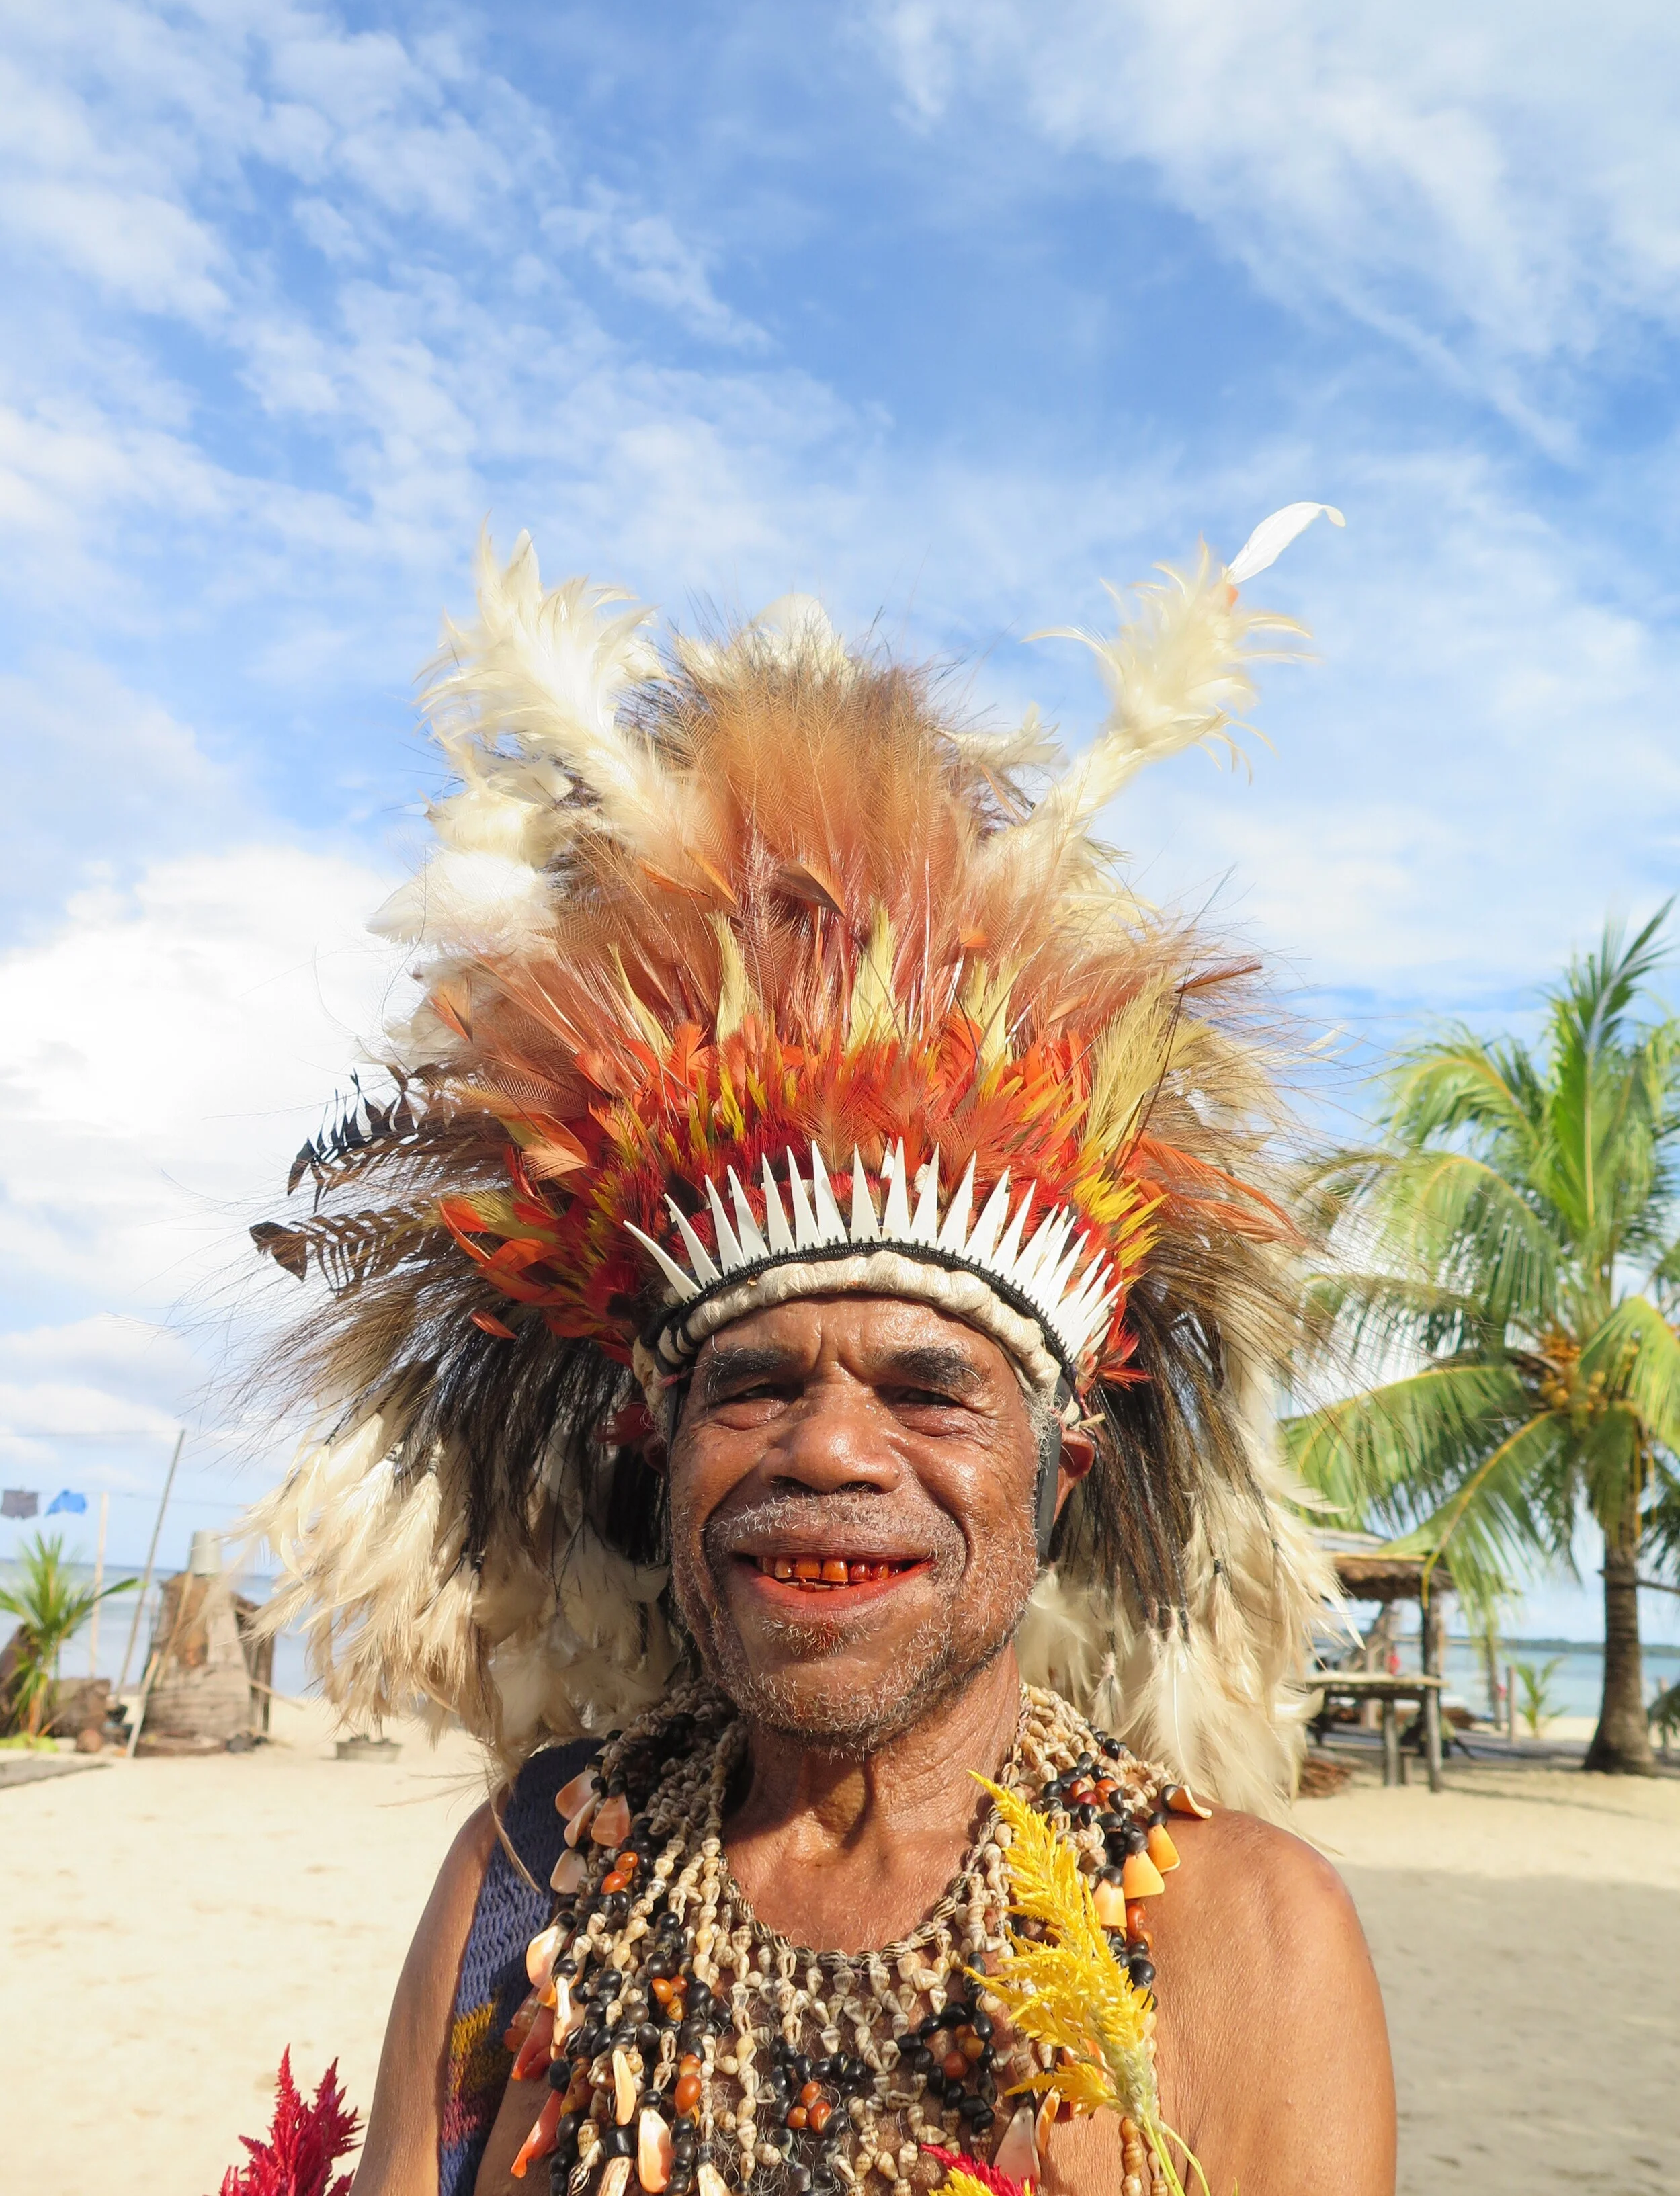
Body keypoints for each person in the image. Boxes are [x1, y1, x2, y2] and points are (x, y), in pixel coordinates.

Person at [251, 503, 1392, 2196]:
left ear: (1054, 1463)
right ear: (661, 1442)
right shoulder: (526, 1873)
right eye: (755, 1382)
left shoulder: (1247, 1938)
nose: (830, 1451)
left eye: (930, 1387)